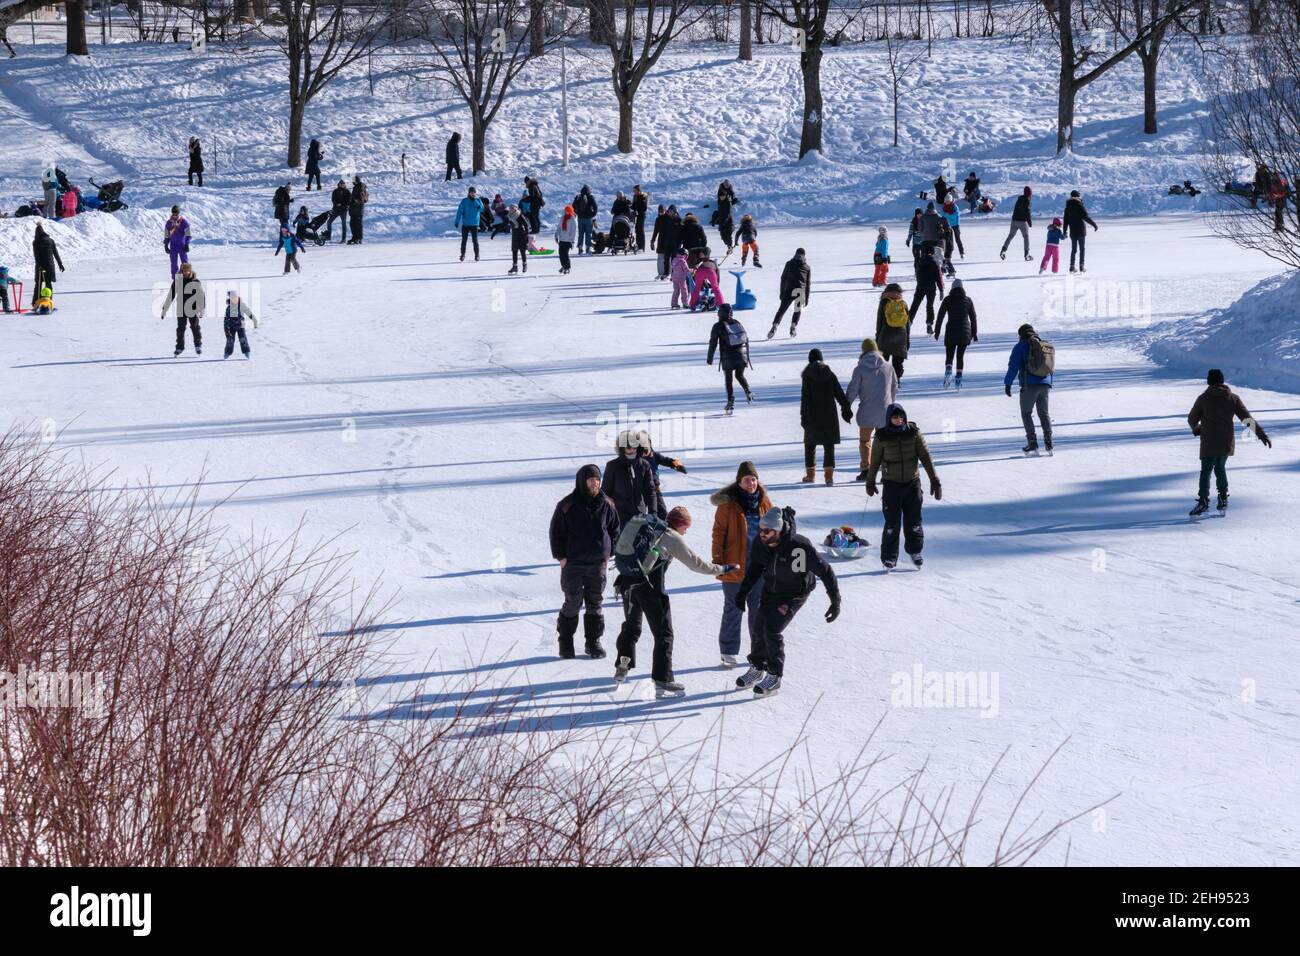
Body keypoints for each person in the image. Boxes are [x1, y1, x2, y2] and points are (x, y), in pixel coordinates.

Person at [612, 505, 731, 696]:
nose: (686, 531)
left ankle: (623, 662)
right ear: (680, 524)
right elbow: (697, 564)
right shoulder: (671, 537)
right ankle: (662, 678)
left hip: (627, 582)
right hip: (649, 588)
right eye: (686, 527)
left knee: (632, 626)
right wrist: (722, 569)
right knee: (664, 634)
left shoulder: (651, 531)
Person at [733, 506, 840, 697]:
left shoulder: (799, 546)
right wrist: (742, 592)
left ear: (779, 531)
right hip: (771, 589)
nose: (762, 534)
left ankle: (774, 676)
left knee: (772, 629)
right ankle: (758, 668)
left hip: (794, 593)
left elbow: (825, 571)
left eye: (767, 531)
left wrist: (835, 600)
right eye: (760, 529)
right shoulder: (761, 542)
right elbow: (756, 567)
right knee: (758, 627)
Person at [550, 464, 621, 659]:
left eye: (597, 479)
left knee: (595, 602)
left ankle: (593, 642)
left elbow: (615, 529)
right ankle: (565, 642)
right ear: (582, 480)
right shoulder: (567, 504)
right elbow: (556, 532)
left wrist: (610, 551)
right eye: (590, 479)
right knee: (573, 601)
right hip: (573, 563)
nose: (594, 483)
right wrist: (561, 557)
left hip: (598, 564)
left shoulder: (607, 503)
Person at [711, 461, 772, 668]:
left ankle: (758, 652)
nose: (751, 483)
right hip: (734, 566)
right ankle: (728, 651)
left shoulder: (765, 502)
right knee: (733, 609)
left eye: (753, 479)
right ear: (739, 482)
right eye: (747, 480)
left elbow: (775, 530)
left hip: (759, 568)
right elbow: (718, 533)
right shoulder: (728, 504)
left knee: (758, 611)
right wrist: (718, 560)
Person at [1186, 369, 1272, 515]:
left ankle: (1203, 501)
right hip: (1225, 441)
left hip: (1208, 441)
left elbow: (1192, 419)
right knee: (1220, 468)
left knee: (1206, 471)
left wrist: (1197, 429)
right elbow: (1246, 418)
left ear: (1209, 381)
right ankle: (1223, 498)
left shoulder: (1203, 398)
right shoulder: (1233, 398)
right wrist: (1261, 434)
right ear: (1222, 381)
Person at [866, 403, 941, 570]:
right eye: (895, 417)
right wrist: (870, 481)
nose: (898, 420)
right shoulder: (881, 436)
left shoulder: (914, 433)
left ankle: (915, 551)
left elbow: (926, 457)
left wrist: (934, 480)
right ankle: (889, 557)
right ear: (889, 419)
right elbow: (875, 462)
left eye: (901, 417)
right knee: (892, 524)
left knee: (914, 521)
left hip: (912, 483)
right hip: (891, 485)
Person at [846, 338, 899, 482]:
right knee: (884, 442)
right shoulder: (888, 366)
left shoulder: (860, 369)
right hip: (885, 412)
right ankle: (886, 471)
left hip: (867, 412)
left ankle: (866, 469)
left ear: (863, 351)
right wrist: (891, 403)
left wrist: (846, 406)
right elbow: (895, 386)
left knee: (865, 441)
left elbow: (853, 390)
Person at [800, 348, 853, 485]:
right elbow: (839, 393)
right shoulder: (830, 374)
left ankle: (810, 476)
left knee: (810, 445)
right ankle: (828, 477)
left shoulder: (807, 375)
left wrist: (803, 415)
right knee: (828, 445)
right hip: (829, 415)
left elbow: (805, 398)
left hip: (812, 415)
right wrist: (846, 408)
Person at [1004, 323, 1053, 455]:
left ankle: (1032, 444)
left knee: (1026, 413)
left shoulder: (1020, 346)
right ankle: (1049, 443)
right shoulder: (1044, 345)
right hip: (1045, 384)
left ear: (1020, 335)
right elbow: (1050, 366)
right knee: (1044, 414)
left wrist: (1008, 383)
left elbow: (1013, 366)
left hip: (1029, 385)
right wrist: (1049, 382)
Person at [602, 433, 660, 527]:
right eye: (628, 447)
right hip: (619, 517)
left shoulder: (644, 465)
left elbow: (650, 491)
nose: (632, 450)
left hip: (639, 516)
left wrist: (653, 512)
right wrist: (608, 501)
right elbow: (604, 492)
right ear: (622, 448)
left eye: (635, 446)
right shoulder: (612, 466)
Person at [707, 303, 753, 413]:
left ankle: (730, 402)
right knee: (739, 375)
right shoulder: (737, 323)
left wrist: (710, 358)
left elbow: (713, 343)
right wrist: (746, 357)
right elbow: (745, 339)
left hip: (728, 357)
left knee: (729, 379)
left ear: (720, 313)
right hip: (741, 354)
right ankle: (748, 391)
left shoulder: (717, 326)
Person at [933, 277, 978, 389]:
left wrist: (937, 331)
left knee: (949, 354)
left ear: (952, 288)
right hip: (965, 332)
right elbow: (973, 318)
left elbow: (940, 316)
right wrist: (974, 333)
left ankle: (948, 371)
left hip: (951, 331)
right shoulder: (968, 300)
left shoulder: (948, 300)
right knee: (960, 356)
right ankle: (958, 378)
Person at [159, 261, 204, 357]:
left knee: (195, 327)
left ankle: (198, 345)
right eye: (184, 270)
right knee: (180, 329)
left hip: (193, 308)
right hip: (181, 309)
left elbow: (201, 296)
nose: (186, 272)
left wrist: (201, 308)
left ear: (190, 271)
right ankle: (179, 347)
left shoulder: (195, 281)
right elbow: (171, 295)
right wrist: (164, 309)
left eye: (188, 270)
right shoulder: (178, 281)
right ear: (181, 271)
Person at [768, 247, 811, 339]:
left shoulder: (789, 264)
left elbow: (783, 278)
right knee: (797, 310)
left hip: (789, 289)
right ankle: (793, 327)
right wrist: (806, 299)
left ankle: (775, 326)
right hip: (800, 291)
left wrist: (782, 292)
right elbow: (808, 285)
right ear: (804, 256)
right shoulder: (807, 267)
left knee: (781, 310)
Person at [875, 282, 911, 380]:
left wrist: (877, 337)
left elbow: (879, 321)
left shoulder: (884, 302)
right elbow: (907, 323)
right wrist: (907, 339)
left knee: (883, 361)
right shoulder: (903, 303)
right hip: (901, 337)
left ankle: (884, 381)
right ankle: (897, 381)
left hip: (885, 336)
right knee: (898, 362)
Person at [909, 244, 944, 334]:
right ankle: (929, 324)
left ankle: (909, 321)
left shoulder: (920, 262)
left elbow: (917, 274)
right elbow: (938, 278)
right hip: (931, 288)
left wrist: (920, 283)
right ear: (932, 252)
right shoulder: (934, 263)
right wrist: (941, 290)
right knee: (929, 306)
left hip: (920, 287)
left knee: (915, 305)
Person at [1062, 189, 1098, 272]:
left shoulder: (1067, 207)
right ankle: (1081, 266)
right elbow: (1085, 217)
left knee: (1073, 249)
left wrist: (1065, 231)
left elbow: (1065, 221)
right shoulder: (1079, 205)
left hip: (1073, 232)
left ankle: (1072, 266)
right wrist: (1094, 224)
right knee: (1082, 249)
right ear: (1078, 196)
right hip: (1081, 231)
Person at [31, 222, 64, 309]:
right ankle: (49, 304)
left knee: (38, 285)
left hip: (40, 266)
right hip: (50, 266)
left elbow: (37, 257)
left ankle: (35, 304)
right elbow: (56, 253)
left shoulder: (36, 242)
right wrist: (60, 264)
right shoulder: (50, 240)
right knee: (48, 285)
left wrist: (39, 267)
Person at [1000, 186, 1034, 261]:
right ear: (1029, 193)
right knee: (1026, 237)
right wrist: (1030, 222)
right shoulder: (1027, 200)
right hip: (1022, 222)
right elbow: (1027, 212)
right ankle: (1026, 254)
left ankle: (1003, 250)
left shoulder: (1019, 199)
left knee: (1010, 236)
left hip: (1014, 220)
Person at [222, 291, 257, 360]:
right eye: (233, 298)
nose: (234, 300)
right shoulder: (229, 308)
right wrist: (226, 330)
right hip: (231, 326)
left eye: (235, 298)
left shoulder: (242, 305)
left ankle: (247, 352)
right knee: (230, 340)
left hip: (241, 326)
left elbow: (248, 312)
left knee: (243, 339)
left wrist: (254, 320)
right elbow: (226, 320)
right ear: (230, 299)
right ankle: (227, 353)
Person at [455, 186, 483, 262]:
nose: (472, 194)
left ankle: (477, 255)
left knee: (475, 240)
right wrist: (457, 221)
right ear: (469, 193)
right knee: (464, 240)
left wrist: (475, 201)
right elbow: (459, 211)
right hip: (466, 224)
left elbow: (481, 209)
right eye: (471, 192)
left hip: (474, 224)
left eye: (473, 192)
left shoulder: (478, 200)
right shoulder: (464, 201)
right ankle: (462, 255)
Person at [163, 205, 190, 278]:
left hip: (182, 245)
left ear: (179, 213)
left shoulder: (183, 222)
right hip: (173, 245)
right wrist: (166, 245)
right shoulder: (169, 223)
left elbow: (188, 233)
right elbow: (166, 234)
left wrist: (187, 244)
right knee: (173, 262)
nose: (175, 216)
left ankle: (186, 277)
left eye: (176, 214)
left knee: (184, 262)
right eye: (173, 214)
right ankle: (176, 278)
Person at [573, 184, 597, 253]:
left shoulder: (578, 197)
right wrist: (593, 214)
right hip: (589, 218)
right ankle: (588, 248)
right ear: (589, 190)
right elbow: (595, 207)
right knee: (588, 233)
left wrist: (578, 213)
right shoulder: (591, 197)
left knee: (581, 234)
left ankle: (580, 248)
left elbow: (573, 206)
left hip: (580, 218)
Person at [554, 203, 577, 275]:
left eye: (568, 211)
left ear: (571, 211)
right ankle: (563, 266)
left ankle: (567, 267)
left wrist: (572, 242)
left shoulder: (573, 220)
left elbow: (573, 232)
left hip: (568, 240)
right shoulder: (562, 218)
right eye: (565, 211)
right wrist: (556, 235)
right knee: (561, 254)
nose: (566, 212)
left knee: (565, 254)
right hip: (562, 239)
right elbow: (559, 228)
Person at [507, 204, 530, 274]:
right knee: (514, 251)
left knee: (522, 251)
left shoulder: (519, 215)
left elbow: (526, 224)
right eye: (510, 208)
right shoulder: (510, 216)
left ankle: (525, 265)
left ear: (515, 209)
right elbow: (506, 224)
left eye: (512, 208)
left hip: (521, 234)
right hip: (514, 235)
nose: (511, 209)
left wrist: (526, 234)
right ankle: (515, 267)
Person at [715, 180, 737, 251]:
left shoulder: (728, 203)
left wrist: (725, 220)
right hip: (722, 219)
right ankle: (728, 245)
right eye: (721, 196)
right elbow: (721, 211)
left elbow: (728, 212)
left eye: (723, 196)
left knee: (728, 234)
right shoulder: (721, 200)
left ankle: (729, 247)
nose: (721, 197)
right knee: (723, 236)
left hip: (728, 221)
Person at [329, 179, 351, 243]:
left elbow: (349, 201)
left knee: (343, 224)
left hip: (343, 210)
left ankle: (343, 239)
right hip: (336, 209)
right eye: (341, 184)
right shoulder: (335, 191)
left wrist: (342, 205)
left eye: (343, 184)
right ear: (339, 184)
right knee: (329, 222)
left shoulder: (347, 191)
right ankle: (328, 236)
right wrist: (336, 204)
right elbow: (333, 199)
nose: (342, 185)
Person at [942, 197, 964, 261]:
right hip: (948, 226)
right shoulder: (944, 207)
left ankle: (962, 252)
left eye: (948, 201)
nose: (947, 202)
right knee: (949, 241)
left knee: (958, 239)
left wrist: (948, 214)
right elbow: (943, 216)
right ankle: (949, 255)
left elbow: (956, 215)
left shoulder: (955, 207)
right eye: (946, 201)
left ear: (951, 201)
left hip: (955, 225)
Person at [347, 176, 366, 244]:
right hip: (353, 210)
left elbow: (361, 199)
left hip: (358, 210)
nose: (352, 182)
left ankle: (359, 238)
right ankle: (354, 237)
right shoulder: (356, 187)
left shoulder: (360, 187)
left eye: (353, 181)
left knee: (358, 224)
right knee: (352, 224)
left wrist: (354, 201)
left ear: (356, 181)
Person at [631, 184, 648, 251]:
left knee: (640, 230)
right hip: (637, 215)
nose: (634, 192)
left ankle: (642, 246)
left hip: (641, 215)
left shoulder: (643, 196)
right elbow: (634, 206)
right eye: (633, 191)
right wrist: (630, 205)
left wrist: (638, 210)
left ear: (638, 190)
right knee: (637, 230)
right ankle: (638, 245)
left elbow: (644, 208)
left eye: (634, 191)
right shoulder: (635, 196)